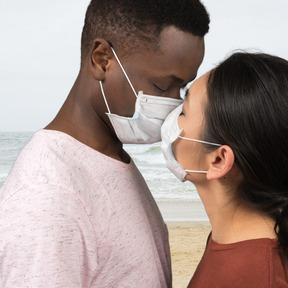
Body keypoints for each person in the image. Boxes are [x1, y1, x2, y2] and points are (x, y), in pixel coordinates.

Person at [0, 0, 210, 287]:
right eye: (162, 87)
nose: (173, 104)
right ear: (102, 60)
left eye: (182, 88)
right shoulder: (48, 195)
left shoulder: (109, 158)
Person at [161, 52, 288, 287]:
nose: (169, 120)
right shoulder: (235, 242)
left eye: (183, 112)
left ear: (219, 161)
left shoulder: (256, 275)